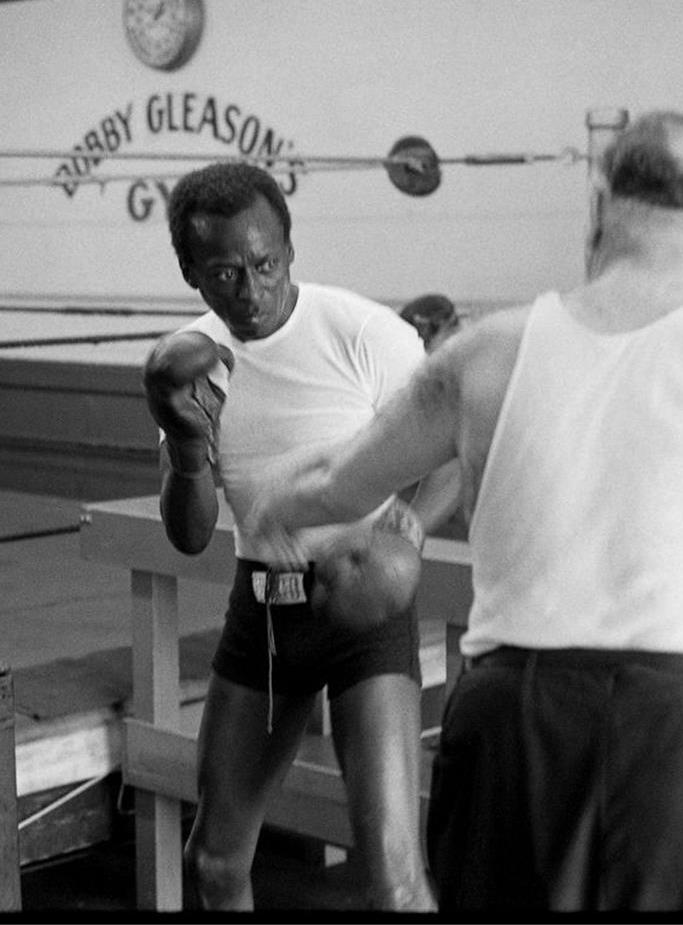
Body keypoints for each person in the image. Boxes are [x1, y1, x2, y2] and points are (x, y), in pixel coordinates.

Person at [244, 112, 683, 912]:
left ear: (597, 207)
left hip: (521, 732)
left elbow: (339, 483)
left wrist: (274, 506)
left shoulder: (485, 352)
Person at [141, 161, 453, 911]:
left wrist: (403, 534)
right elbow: (188, 536)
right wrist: (187, 451)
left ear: (288, 248)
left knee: (394, 874)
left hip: (364, 616)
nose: (249, 290)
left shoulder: (364, 334)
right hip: (265, 618)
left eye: (264, 264)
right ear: (190, 271)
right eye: (223, 273)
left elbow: (450, 455)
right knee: (216, 863)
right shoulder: (192, 364)